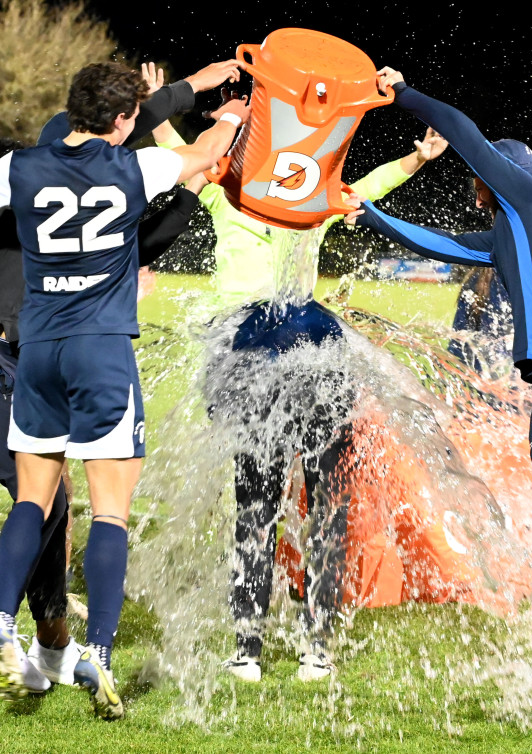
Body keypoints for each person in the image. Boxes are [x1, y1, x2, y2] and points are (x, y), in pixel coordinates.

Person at [0, 61, 249, 719]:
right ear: (123, 119)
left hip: (38, 348)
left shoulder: (19, 167)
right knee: (110, 510)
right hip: (101, 352)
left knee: (33, 495)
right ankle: (98, 653)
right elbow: (203, 155)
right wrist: (229, 118)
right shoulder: (133, 168)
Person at [347, 67, 532, 712]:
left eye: (480, 180)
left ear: (501, 176)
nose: (475, 188)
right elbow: (438, 243)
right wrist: (360, 209)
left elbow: (462, 131)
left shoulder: (527, 193)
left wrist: (400, 94)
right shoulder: (522, 231)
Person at [153, 114, 449, 682]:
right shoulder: (226, 196)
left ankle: (315, 644)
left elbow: (362, 190)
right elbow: (179, 152)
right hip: (246, 367)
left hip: (307, 365)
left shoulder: (307, 206)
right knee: (257, 507)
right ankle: (251, 645)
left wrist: (415, 160)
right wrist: (159, 114)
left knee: (324, 506)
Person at [448, 267, 513, 378]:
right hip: (514, 374)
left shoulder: (475, 279)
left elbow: (458, 340)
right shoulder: (524, 277)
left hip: (480, 374)